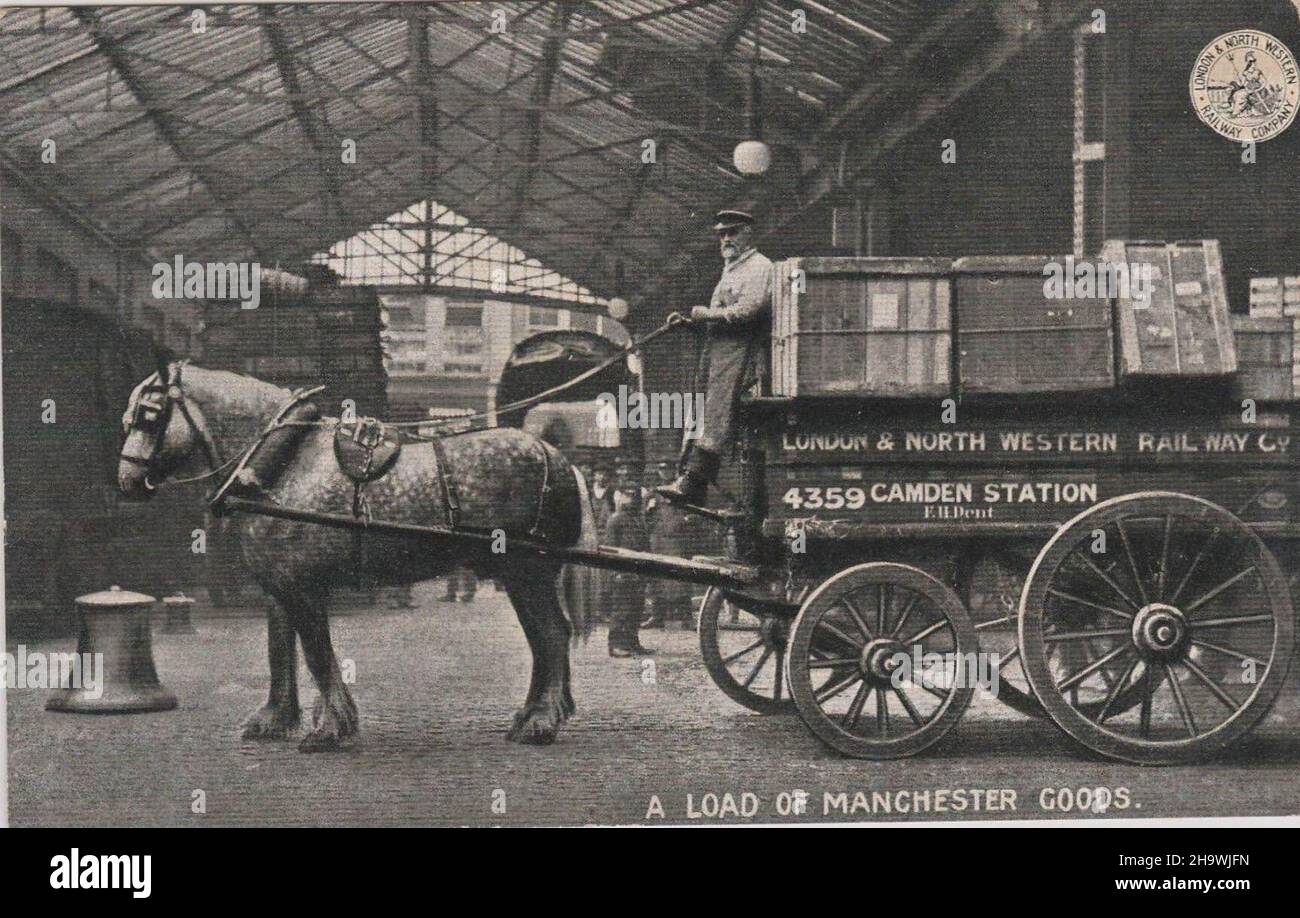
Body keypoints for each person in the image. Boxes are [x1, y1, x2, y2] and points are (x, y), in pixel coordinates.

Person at [657, 209, 773, 506]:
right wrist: (689, 323)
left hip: (740, 355)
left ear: (749, 234)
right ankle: (690, 481)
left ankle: (695, 481)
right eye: (722, 234)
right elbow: (720, 317)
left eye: (732, 232)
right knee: (701, 413)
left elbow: (748, 311)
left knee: (716, 415)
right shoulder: (732, 270)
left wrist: (704, 314)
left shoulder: (760, 267)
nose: (726, 239)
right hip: (717, 353)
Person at [605, 487, 653, 657]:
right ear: (620, 498)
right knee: (621, 610)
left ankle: (632, 642)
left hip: (638, 571)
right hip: (623, 572)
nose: (631, 500)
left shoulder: (638, 520)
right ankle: (615, 645)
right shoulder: (615, 520)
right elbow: (610, 549)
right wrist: (616, 572)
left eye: (633, 496)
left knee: (636, 609)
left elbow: (645, 544)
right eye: (627, 496)